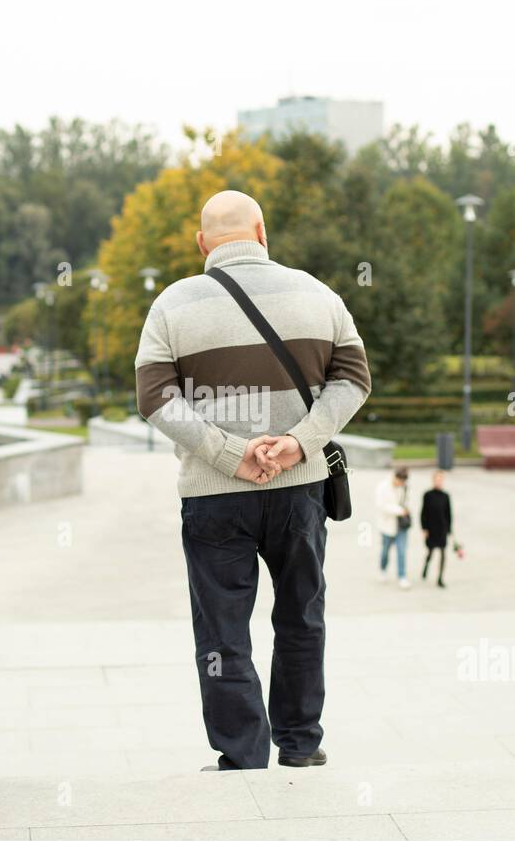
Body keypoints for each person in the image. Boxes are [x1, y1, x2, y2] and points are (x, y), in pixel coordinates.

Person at [134, 189, 370, 772]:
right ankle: (299, 743)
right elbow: (354, 379)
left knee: (221, 630)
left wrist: (229, 454)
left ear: (202, 242)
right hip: (299, 489)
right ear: (262, 232)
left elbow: (154, 397)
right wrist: (298, 443)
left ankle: (242, 756)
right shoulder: (319, 294)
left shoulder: (171, 305)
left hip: (216, 498)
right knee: (301, 616)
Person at [375, 467, 412, 589]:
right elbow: (381, 506)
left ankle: (402, 576)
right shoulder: (383, 487)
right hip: (387, 525)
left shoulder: (405, 487)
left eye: (403, 482)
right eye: (399, 481)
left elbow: (408, 502)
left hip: (401, 526)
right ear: (395, 477)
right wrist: (400, 511)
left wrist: (406, 509)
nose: (400, 484)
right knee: (385, 551)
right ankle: (383, 570)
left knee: (402, 551)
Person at [420, 469, 453, 587]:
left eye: (441, 479)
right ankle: (426, 566)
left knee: (443, 553)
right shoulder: (427, 495)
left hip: (442, 529)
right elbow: (423, 512)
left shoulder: (446, 496)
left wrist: (450, 530)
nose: (439, 481)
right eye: (437, 479)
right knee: (430, 552)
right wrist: (424, 528)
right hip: (431, 528)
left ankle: (440, 578)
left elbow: (449, 514)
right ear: (433, 480)